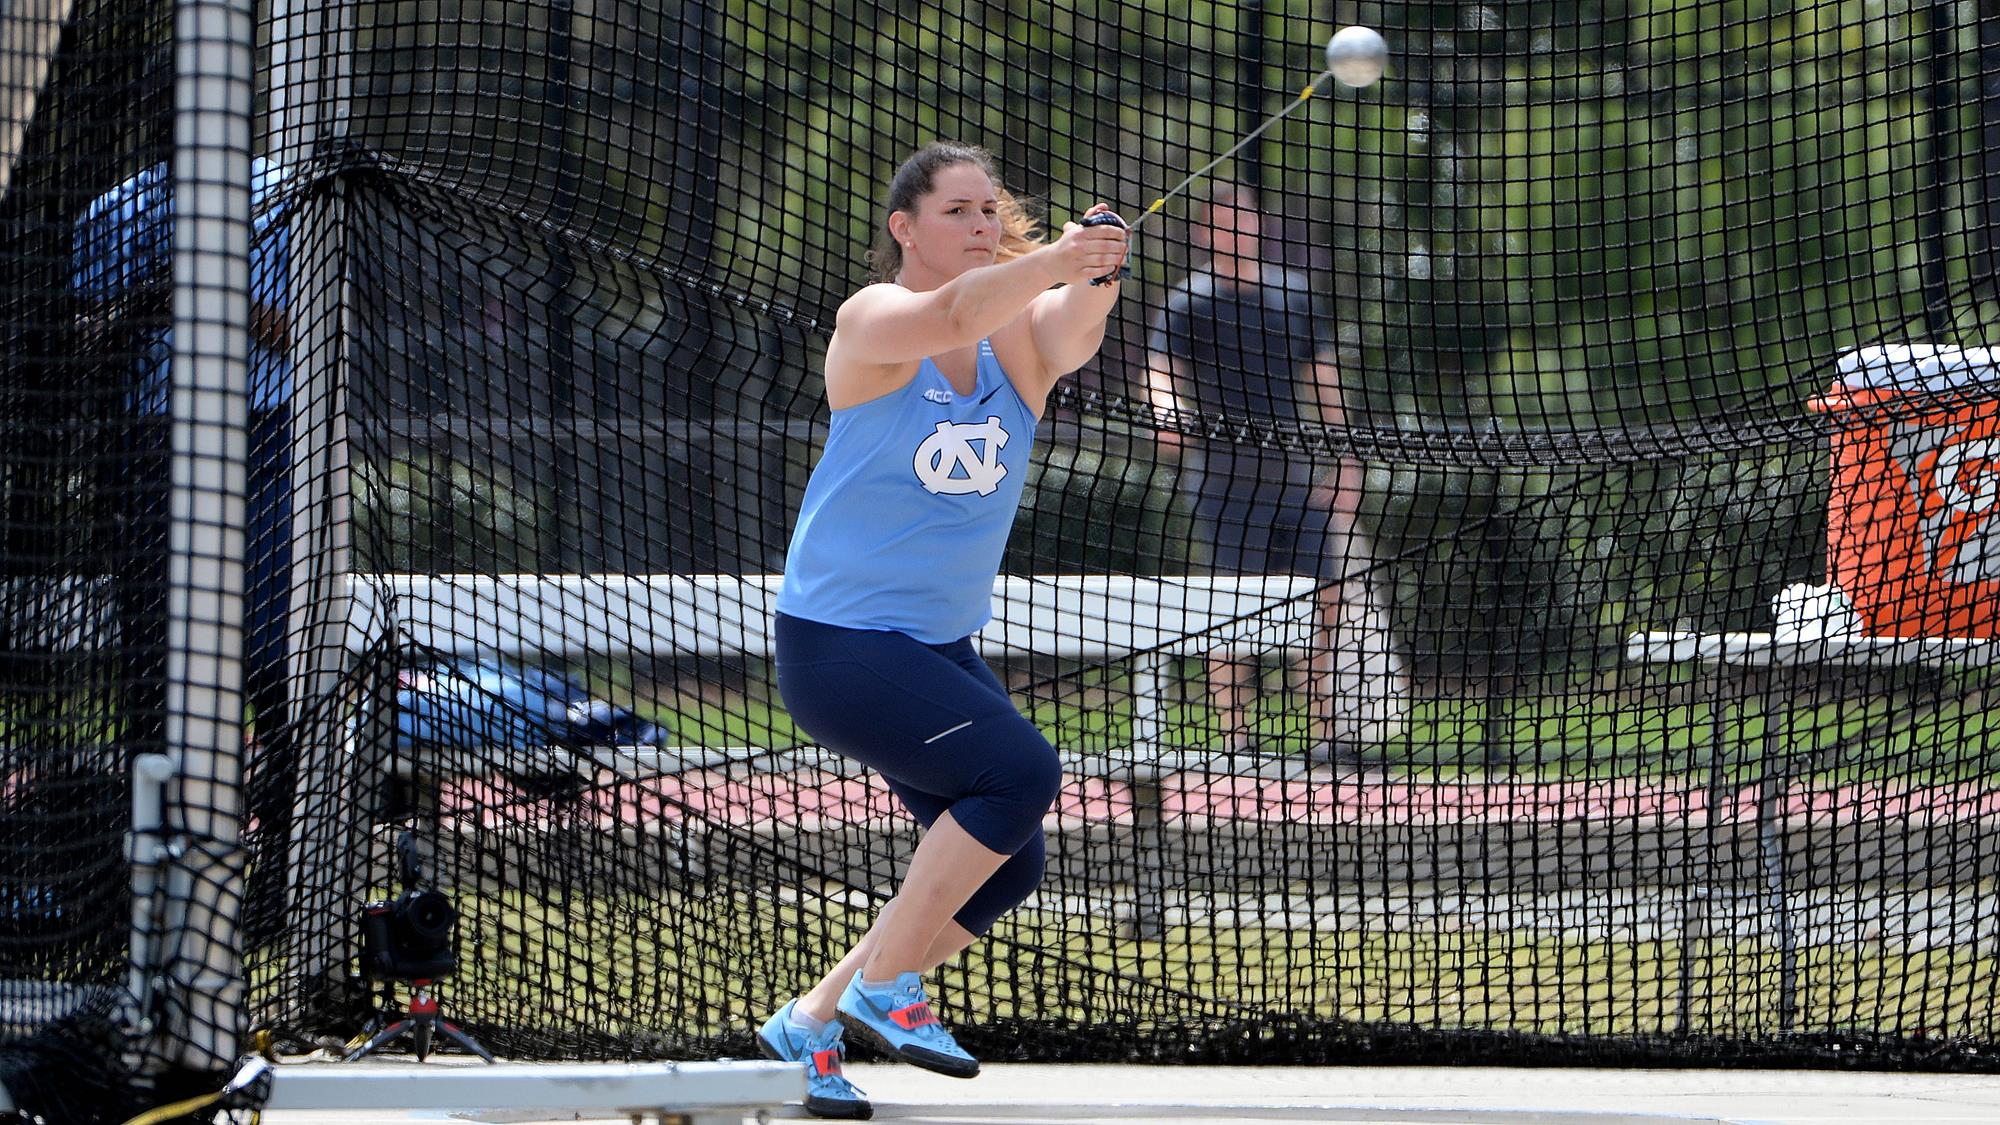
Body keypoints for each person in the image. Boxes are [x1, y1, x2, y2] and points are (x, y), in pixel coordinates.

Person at [755, 142, 1128, 1120]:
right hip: (839, 646)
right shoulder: (873, 319)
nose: (974, 224)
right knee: (1019, 778)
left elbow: (1074, 325)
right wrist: (1049, 262)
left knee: (1011, 858)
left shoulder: (1021, 344)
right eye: (955, 211)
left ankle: (811, 1022)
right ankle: (886, 988)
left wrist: (1097, 265)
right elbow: (957, 310)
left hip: (934, 651)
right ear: (904, 229)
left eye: (984, 210)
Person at [1143, 182, 1343, 755]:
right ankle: (1237, 742)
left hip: (1297, 483)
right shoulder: (1188, 302)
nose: (1237, 227)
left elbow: (1323, 383)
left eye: (1245, 217)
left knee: (1323, 602)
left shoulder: (1296, 295)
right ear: (1206, 231)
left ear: (1259, 224)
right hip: (1226, 484)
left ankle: (1325, 739)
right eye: (1224, 220)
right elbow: (1161, 371)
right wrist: (1169, 415)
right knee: (1232, 613)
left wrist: (1346, 462)